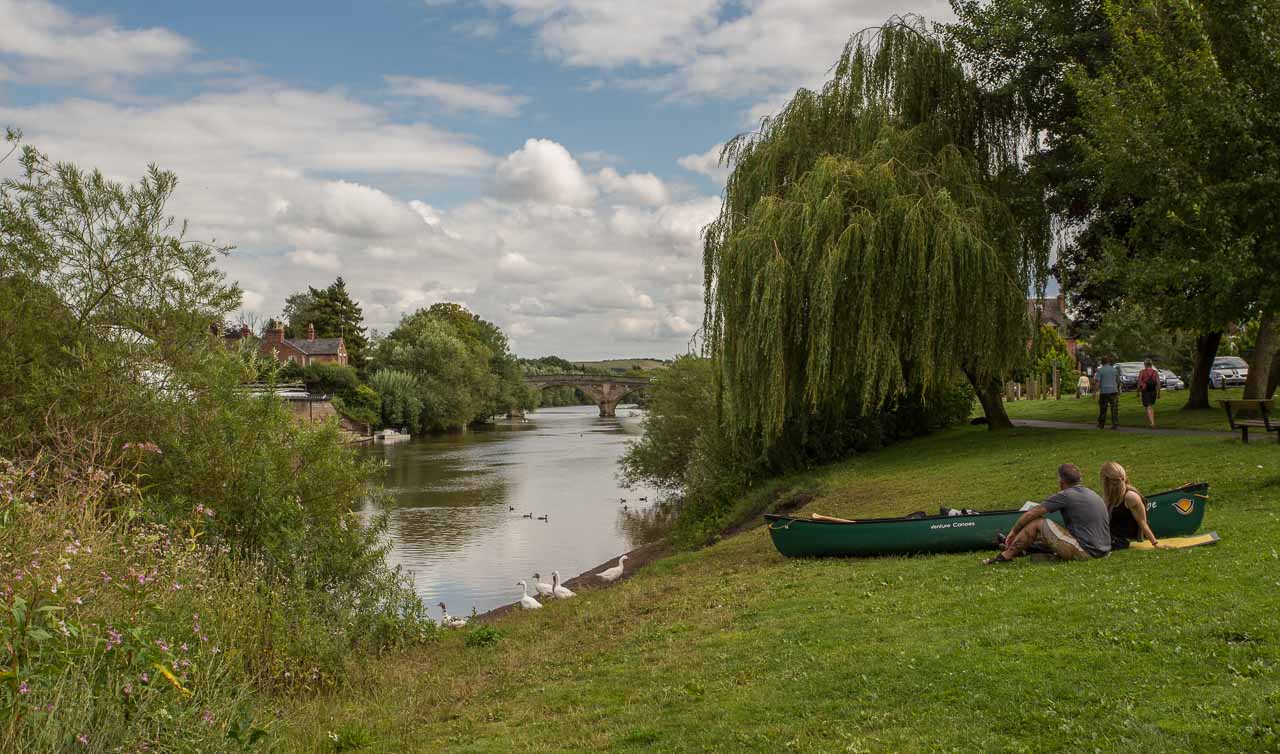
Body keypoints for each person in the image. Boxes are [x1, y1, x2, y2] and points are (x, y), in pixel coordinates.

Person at [983, 463, 1111, 564]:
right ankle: (1024, 550)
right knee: (1049, 531)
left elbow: (1030, 514)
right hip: (1104, 552)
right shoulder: (1092, 493)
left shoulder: (1066, 495)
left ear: (1062, 481)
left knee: (1037, 523)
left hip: (1088, 553)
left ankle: (1005, 556)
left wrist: (1013, 532)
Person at [1101, 461, 1164, 550]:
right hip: (1110, 536)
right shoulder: (1111, 496)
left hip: (1121, 540)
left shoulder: (1130, 496)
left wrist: (1155, 543)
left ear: (1108, 480)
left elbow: (1142, 522)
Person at [1094, 357, 1120, 429]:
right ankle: (1115, 424)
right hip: (1114, 391)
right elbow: (1118, 381)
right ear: (1109, 362)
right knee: (1114, 408)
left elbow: (1097, 382)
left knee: (1103, 408)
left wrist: (1094, 392)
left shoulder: (1100, 370)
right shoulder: (1115, 370)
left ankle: (1101, 424)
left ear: (1102, 362)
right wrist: (1117, 389)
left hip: (1104, 392)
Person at [1137, 359, 1162, 428]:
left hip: (1145, 391)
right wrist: (1159, 393)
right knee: (1150, 406)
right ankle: (1151, 421)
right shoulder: (1155, 372)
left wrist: (1138, 392)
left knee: (1148, 406)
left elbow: (1139, 383)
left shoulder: (1142, 372)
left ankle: (1152, 423)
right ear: (1151, 364)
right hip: (1153, 391)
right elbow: (1158, 383)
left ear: (1145, 364)